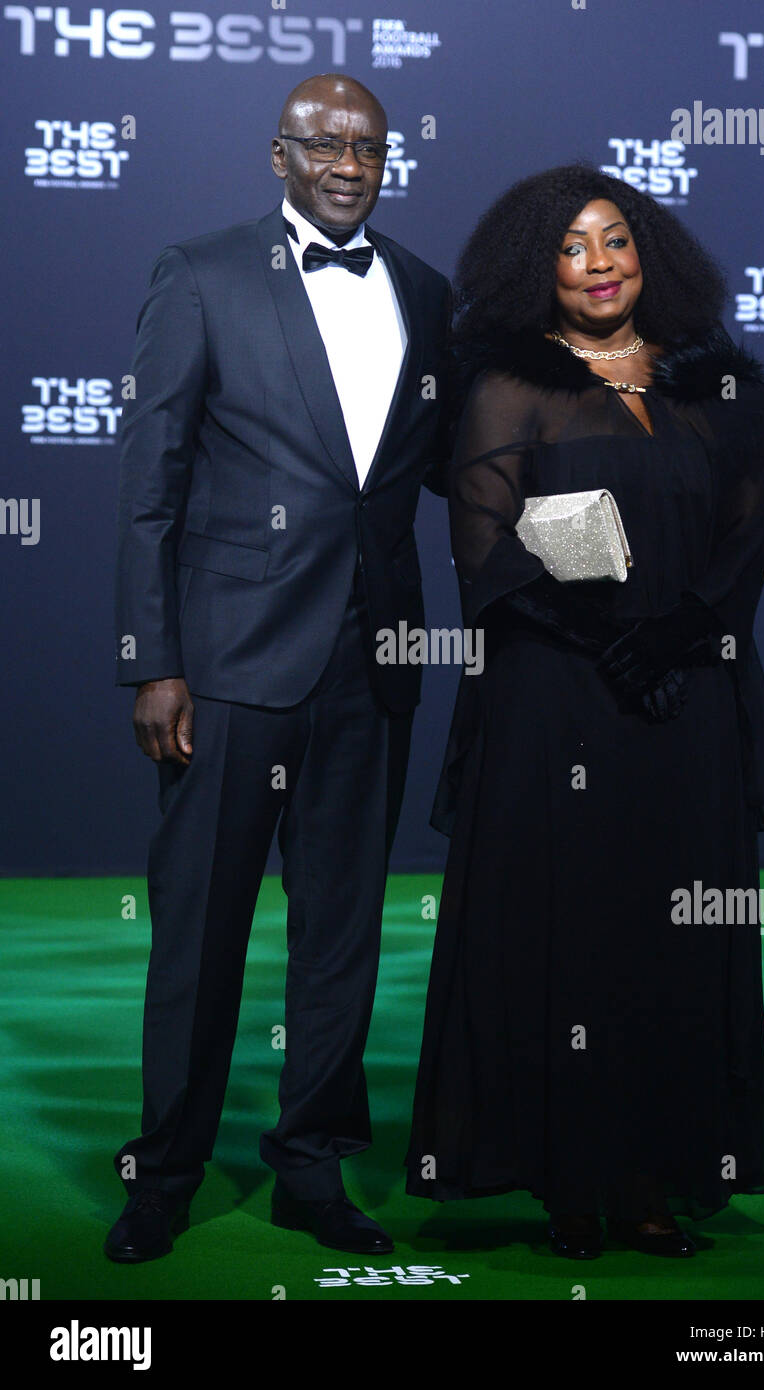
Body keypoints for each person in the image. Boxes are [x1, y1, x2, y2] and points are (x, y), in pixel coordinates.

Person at [404, 164, 764, 1259]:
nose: (598, 264)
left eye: (617, 240)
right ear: (541, 267)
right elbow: (482, 551)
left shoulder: (717, 384)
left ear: (651, 254)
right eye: (573, 247)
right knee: (562, 929)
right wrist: (599, 641)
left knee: (673, 935)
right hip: (553, 698)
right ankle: (567, 1181)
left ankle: (653, 1179)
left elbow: (749, 536)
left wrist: (675, 636)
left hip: (688, 698)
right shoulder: (506, 387)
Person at [107, 74, 450, 1263]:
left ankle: (310, 1165)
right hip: (230, 668)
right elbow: (149, 484)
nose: (349, 161)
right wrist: (153, 660)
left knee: (343, 932)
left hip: (372, 665)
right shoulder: (200, 275)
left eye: (369, 143)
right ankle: (164, 1173)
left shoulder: (425, 290)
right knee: (199, 933)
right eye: (325, 142)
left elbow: (454, 467)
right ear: (279, 155)